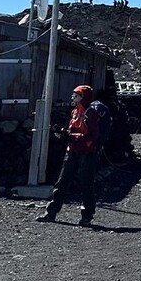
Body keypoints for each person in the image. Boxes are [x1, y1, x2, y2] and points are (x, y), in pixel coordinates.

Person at [37, 86, 101, 225]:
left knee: (86, 184)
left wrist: (73, 136)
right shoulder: (74, 112)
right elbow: (73, 131)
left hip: (86, 153)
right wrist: (64, 133)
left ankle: (86, 217)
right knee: (62, 182)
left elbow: (93, 135)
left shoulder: (90, 114)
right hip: (72, 151)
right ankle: (51, 213)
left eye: (76, 95)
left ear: (84, 97)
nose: (73, 97)